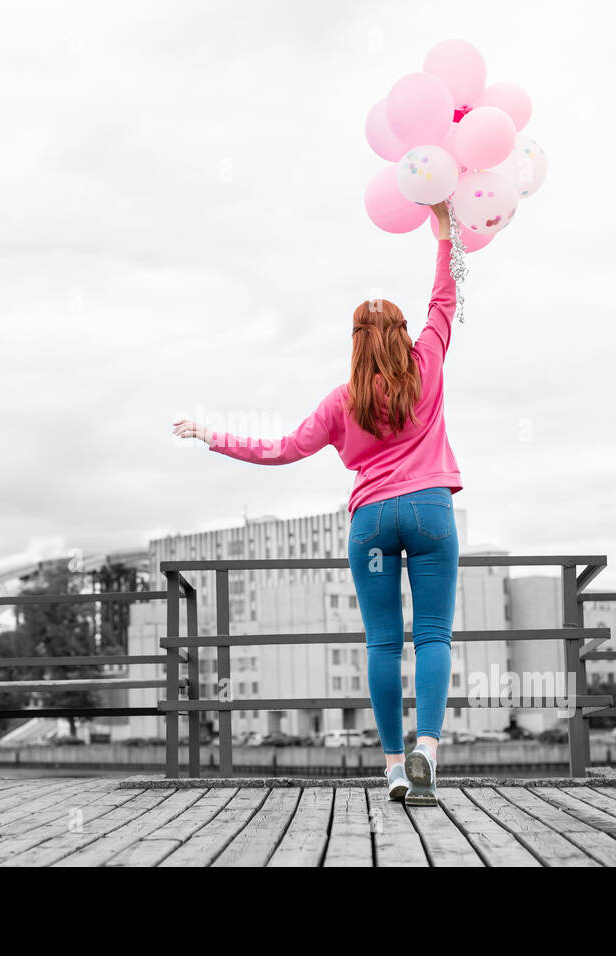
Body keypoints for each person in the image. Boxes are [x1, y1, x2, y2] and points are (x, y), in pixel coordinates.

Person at [172, 200, 463, 806]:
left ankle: (393, 769)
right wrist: (444, 227)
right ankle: (428, 748)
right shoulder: (427, 363)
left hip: (372, 523)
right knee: (432, 636)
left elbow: (281, 450)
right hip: (431, 512)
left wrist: (214, 436)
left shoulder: (341, 402)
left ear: (355, 343)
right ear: (403, 334)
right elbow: (445, 298)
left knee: (383, 643)